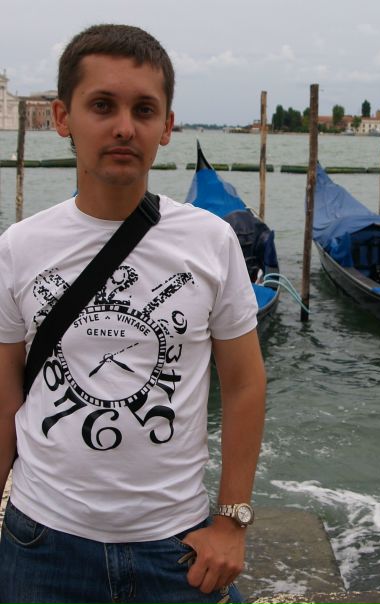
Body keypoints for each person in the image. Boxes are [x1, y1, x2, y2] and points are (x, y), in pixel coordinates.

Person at [0, 24, 265, 604]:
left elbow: (245, 383)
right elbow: (4, 394)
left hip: (178, 543)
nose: (124, 127)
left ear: (166, 127)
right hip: (42, 541)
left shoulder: (211, 241)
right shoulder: (19, 247)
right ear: (62, 118)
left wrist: (232, 522)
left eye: (144, 109)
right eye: (102, 105)